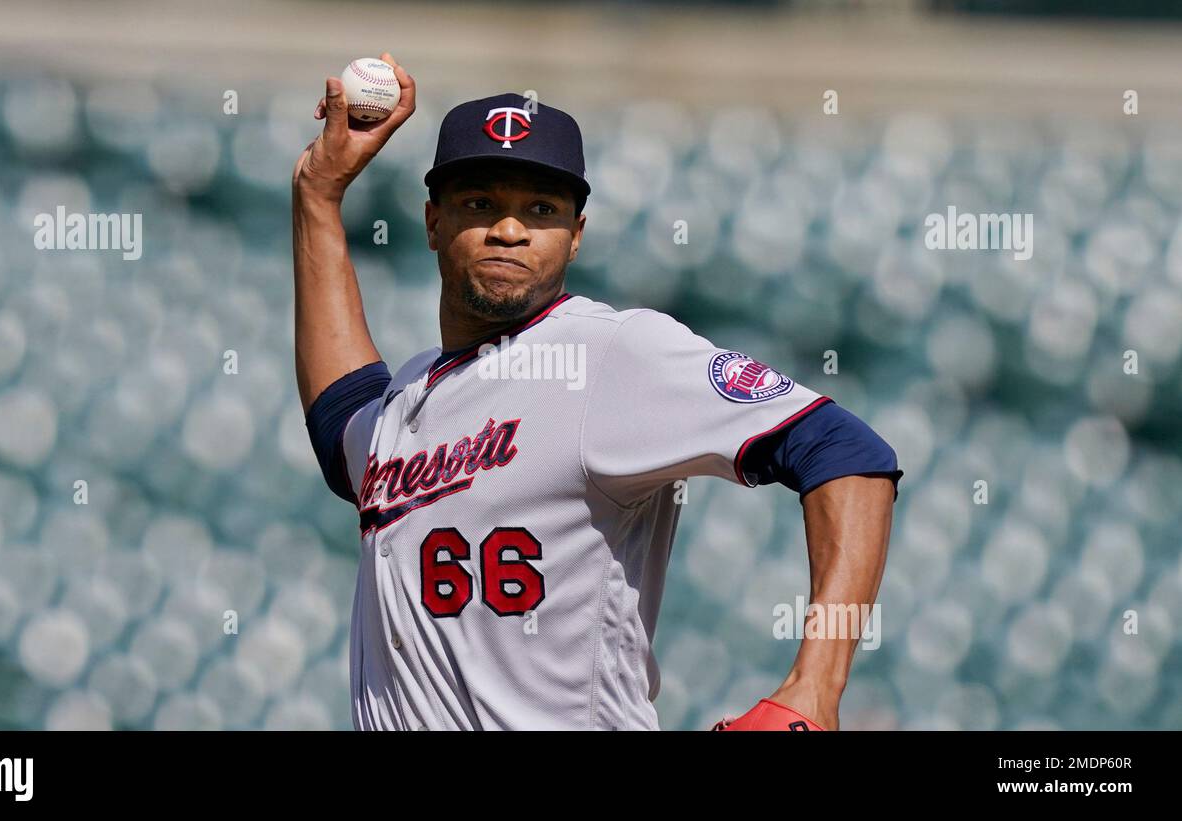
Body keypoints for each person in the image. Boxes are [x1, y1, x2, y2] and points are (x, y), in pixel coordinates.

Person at [293, 53, 900, 730]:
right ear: (434, 222)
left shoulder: (611, 352)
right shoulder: (411, 392)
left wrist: (815, 685)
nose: (510, 228)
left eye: (541, 208)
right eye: (480, 202)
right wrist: (317, 197)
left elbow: (846, 450)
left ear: (576, 236)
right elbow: (341, 422)